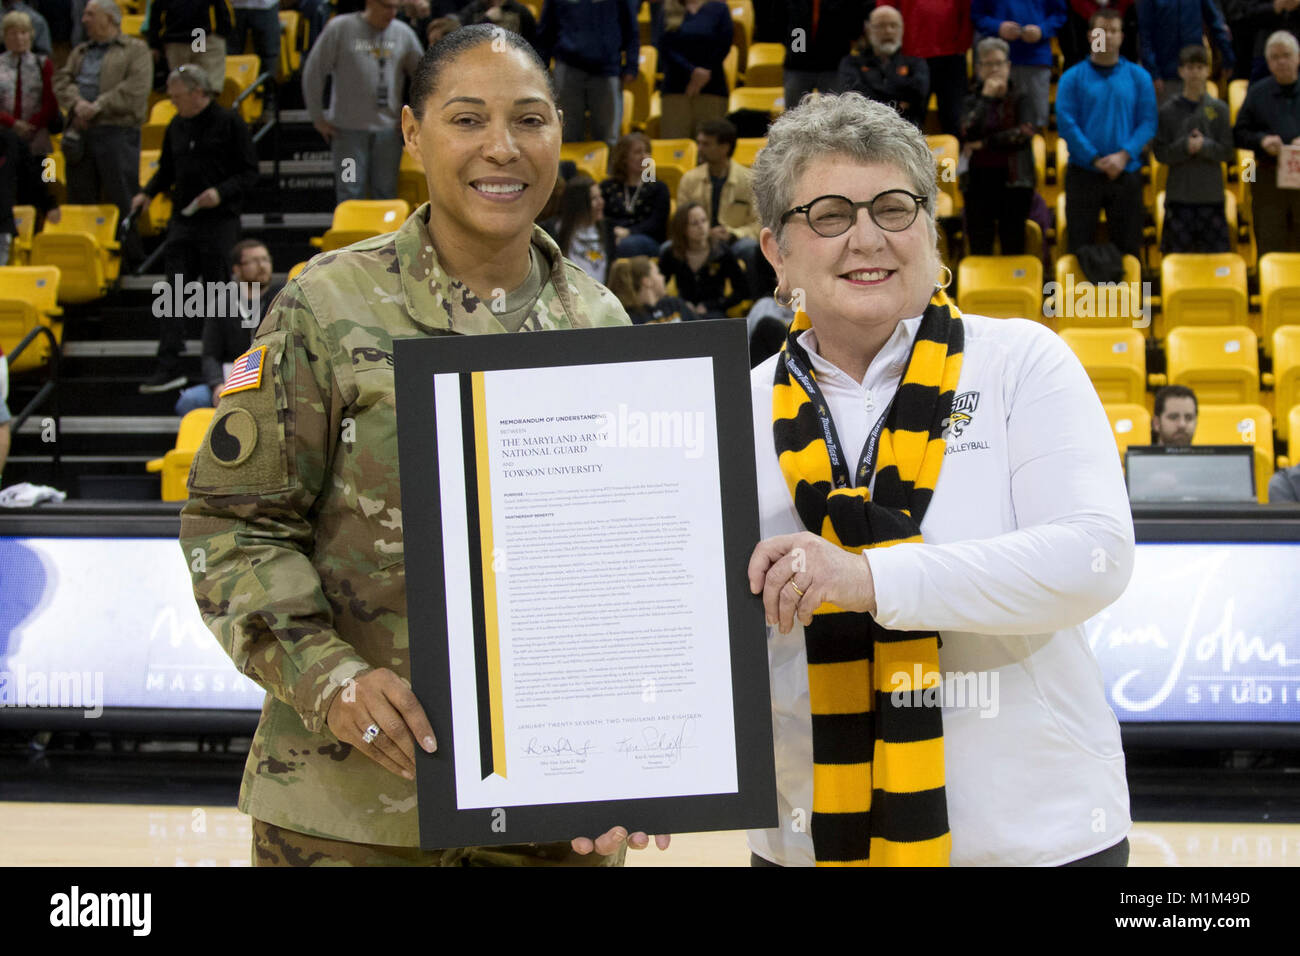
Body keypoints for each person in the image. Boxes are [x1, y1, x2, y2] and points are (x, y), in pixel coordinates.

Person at [179, 24, 659, 866]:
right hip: (351, 812)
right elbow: (232, 530)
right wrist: (332, 683)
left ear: (561, 134)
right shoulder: (323, 306)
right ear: (410, 132)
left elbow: (626, 568)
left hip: (551, 818)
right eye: (467, 119)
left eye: (531, 120)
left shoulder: (602, 321)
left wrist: (645, 755)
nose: (501, 148)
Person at [746, 92, 1135, 867]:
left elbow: (1093, 557)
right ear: (775, 250)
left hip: (1037, 842)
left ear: (932, 227)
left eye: (894, 208)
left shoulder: (1024, 360)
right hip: (808, 839)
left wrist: (869, 578)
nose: (868, 238)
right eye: (827, 214)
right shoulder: (732, 408)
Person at [133, 65, 259, 394]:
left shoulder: (230, 122)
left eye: (177, 97)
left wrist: (220, 192)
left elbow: (249, 173)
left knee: (219, 295)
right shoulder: (176, 124)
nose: (172, 104)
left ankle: (221, 370)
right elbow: (167, 169)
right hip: (183, 222)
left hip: (220, 223)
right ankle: (168, 365)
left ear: (198, 92)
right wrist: (147, 192)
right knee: (174, 294)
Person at [52, 0, 151, 263]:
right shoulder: (80, 51)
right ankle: (85, 261)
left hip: (118, 132)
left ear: (109, 18)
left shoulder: (136, 49)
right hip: (80, 133)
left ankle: (131, 260)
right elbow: (62, 81)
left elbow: (135, 89)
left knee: (122, 196)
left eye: (90, 14)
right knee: (80, 200)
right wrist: (78, 104)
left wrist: (97, 106)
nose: (83, 19)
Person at [1055, 6, 1158, 258]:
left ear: (1122, 36)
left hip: (1126, 172)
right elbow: (1067, 123)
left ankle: (1127, 299)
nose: (1108, 36)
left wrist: (1123, 156)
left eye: (1113, 31)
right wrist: (1094, 158)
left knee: (1129, 249)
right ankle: (1079, 298)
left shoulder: (1139, 77)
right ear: (1090, 35)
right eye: (1101, 30)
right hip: (1084, 172)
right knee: (1079, 247)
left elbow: (1148, 122)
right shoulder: (1071, 78)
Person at [302, 0, 424, 204]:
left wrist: (415, 117)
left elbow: (425, 78)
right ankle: (351, 236)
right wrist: (317, 118)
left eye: (396, 8)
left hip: (387, 134)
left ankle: (386, 236)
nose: (392, 13)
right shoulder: (340, 28)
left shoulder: (403, 33)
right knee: (349, 192)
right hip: (346, 133)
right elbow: (313, 73)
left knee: (386, 193)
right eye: (386, 6)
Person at [174, 238, 282, 415]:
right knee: (190, 401)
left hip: (274, 379)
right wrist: (217, 386)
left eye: (265, 259)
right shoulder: (222, 305)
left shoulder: (284, 300)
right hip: (233, 380)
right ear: (237, 269)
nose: (262, 265)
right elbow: (210, 355)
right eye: (254, 261)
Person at [1153, 45, 1234, 253]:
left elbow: (1228, 151)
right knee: (1179, 263)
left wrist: (1204, 146)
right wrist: (1184, 147)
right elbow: (1160, 153)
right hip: (1179, 198)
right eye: (1190, 67)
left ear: (1207, 71)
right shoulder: (1167, 111)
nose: (1195, 73)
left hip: (1212, 197)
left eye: (1200, 67)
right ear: (1181, 71)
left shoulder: (1218, 109)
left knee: (1215, 263)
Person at [960, 36, 1038, 254]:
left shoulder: (1022, 96)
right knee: (979, 242)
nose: (994, 69)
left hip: (1015, 181)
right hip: (977, 182)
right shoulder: (971, 99)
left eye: (999, 63)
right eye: (988, 64)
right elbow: (966, 131)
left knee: (1013, 241)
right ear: (978, 68)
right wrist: (986, 98)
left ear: (1009, 66)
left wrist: (985, 143)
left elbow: (1025, 133)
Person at [536, 0, 638, 148]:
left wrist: (631, 65)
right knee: (566, 134)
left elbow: (631, 28)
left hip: (607, 70)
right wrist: (540, 69)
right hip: (568, 68)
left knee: (608, 139)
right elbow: (546, 30)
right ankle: (569, 171)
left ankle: (606, 170)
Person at [1233, 30, 1300, 257]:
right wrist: (1261, 141)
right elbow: (1238, 134)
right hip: (1267, 179)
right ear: (1268, 62)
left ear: (1297, 58)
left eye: (1286, 55)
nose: (1281, 61)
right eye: (1275, 57)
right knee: (1271, 245)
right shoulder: (1256, 93)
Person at [677, 117, 762, 291]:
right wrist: (704, 233)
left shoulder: (749, 180)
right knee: (667, 249)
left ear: (725, 147)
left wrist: (732, 233)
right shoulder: (689, 179)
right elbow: (680, 221)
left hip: (733, 241)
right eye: (699, 143)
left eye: (706, 144)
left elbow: (759, 224)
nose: (699, 149)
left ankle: (752, 301)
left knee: (750, 248)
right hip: (696, 239)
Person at [878, 0, 974, 135]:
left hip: (951, 56)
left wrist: (962, 45)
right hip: (911, 54)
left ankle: (955, 154)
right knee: (909, 121)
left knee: (954, 118)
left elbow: (967, 9)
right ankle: (907, 155)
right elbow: (884, 7)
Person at [971, 0, 1066, 128]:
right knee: (991, 119)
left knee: (1034, 123)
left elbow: (1060, 14)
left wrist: (1042, 30)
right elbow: (977, 15)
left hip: (1036, 59)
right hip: (995, 62)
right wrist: (998, 27)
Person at [837, 5, 931, 129]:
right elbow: (853, 96)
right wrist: (898, 102)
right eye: (880, 26)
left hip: (907, 130)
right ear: (868, 29)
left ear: (902, 28)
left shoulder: (915, 61)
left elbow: (919, 92)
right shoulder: (851, 62)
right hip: (864, 131)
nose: (888, 31)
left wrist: (876, 94)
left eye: (894, 25)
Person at [656, 0, 733, 139]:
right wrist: (693, 72)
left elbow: (724, 43)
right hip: (675, 89)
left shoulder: (719, 8)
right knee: (675, 147)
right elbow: (664, 47)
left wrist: (705, 71)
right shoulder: (666, 9)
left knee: (712, 146)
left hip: (712, 87)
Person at [659, 200, 746, 317]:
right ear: (682, 228)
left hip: (715, 313)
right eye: (694, 223)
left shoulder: (722, 252)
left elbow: (742, 291)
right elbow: (658, 287)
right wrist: (679, 304)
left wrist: (713, 305)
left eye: (704, 221)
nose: (701, 227)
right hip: (684, 312)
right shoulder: (671, 253)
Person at [1137, 0, 1235, 104]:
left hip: (1195, 68)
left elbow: (1214, 22)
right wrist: (1154, 74)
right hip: (1166, 76)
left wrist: (1228, 57)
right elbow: (1145, 36)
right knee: (1168, 116)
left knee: (1199, 116)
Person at [779, 0, 872, 106]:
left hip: (834, 65)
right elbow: (778, 20)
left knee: (836, 113)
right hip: (796, 64)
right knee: (793, 114)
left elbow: (855, 22)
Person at [0, 11, 58, 180]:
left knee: (44, 183)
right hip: (4, 138)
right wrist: (13, 124)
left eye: (23, 33)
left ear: (31, 35)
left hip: (37, 138)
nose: (19, 38)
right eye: (13, 33)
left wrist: (29, 126)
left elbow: (51, 103)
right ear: (5, 37)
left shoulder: (43, 64)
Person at [599, 130, 671, 257]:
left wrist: (628, 232)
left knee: (626, 245)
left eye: (647, 152)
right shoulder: (607, 187)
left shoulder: (658, 188)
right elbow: (601, 216)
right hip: (611, 236)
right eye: (638, 152)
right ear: (624, 158)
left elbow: (656, 223)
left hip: (646, 239)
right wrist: (612, 233)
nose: (644, 157)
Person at [146, 0, 235, 98]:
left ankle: (207, 110)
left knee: (208, 87)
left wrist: (221, 32)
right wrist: (154, 44)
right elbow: (155, 12)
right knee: (181, 88)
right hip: (176, 39)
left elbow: (223, 6)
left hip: (204, 36)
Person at [549, 172, 613, 282]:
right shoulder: (553, 231)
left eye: (600, 196)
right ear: (579, 204)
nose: (601, 202)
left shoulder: (607, 229)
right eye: (594, 199)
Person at [608, 254, 694, 323]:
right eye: (658, 273)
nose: (663, 277)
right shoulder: (629, 318)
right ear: (647, 281)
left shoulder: (674, 304)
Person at [1059, 0, 1141, 67]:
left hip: (1124, 65)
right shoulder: (1076, 5)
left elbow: (1132, 46)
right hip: (1081, 64)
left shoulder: (1127, 5)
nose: (1108, 36)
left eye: (1113, 31)